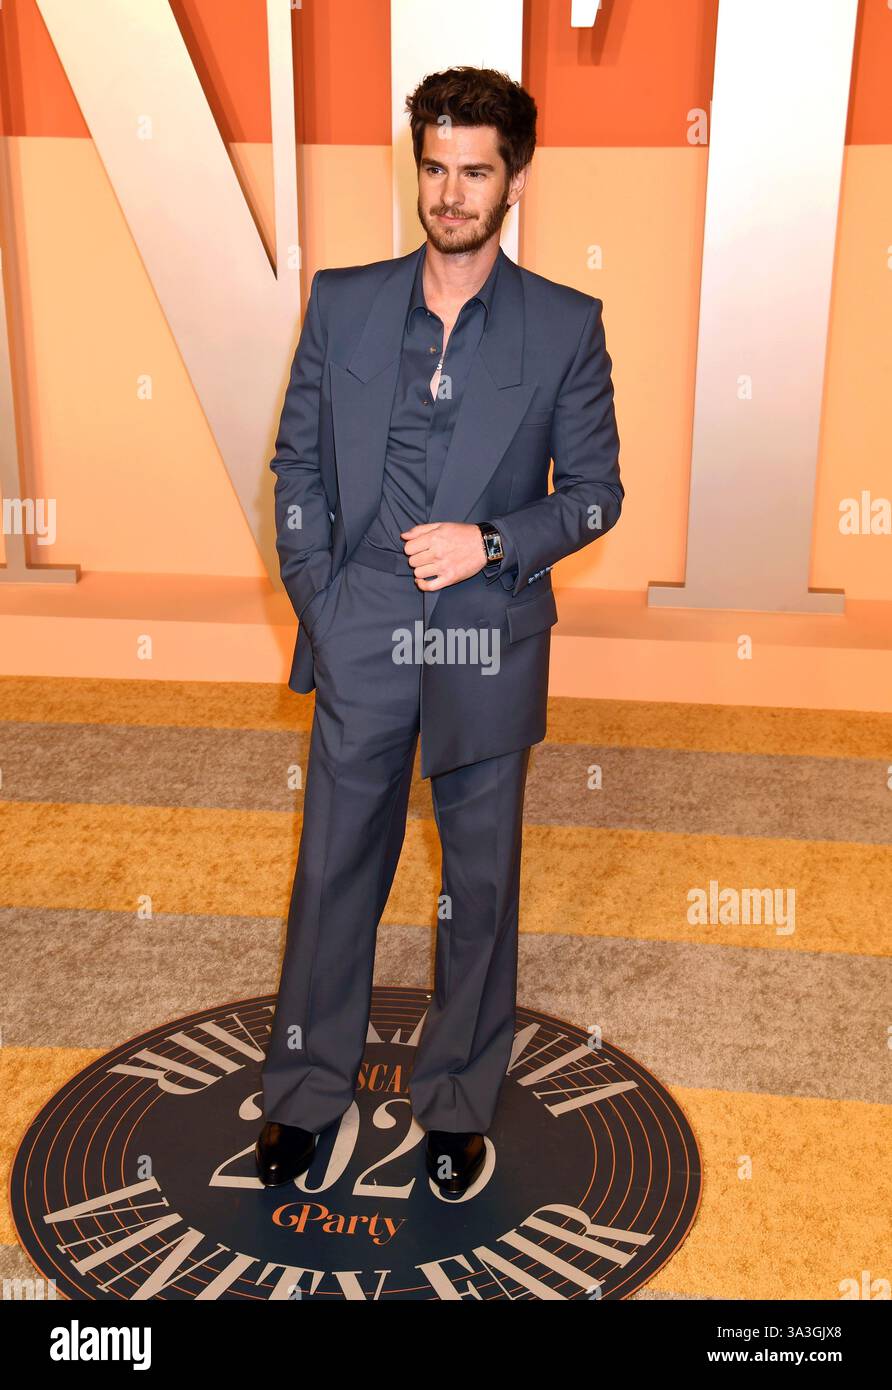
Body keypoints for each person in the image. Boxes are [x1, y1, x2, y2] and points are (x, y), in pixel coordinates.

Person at [256, 65, 623, 1196]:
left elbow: (598, 493)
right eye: (434, 168)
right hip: (362, 618)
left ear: (514, 177)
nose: (450, 194)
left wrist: (494, 543)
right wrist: (321, 591)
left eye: (474, 172)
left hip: (483, 630)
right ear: (416, 166)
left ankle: (458, 1097)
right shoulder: (344, 299)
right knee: (334, 876)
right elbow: (296, 463)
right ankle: (307, 1092)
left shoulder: (565, 326)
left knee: (477, 880)